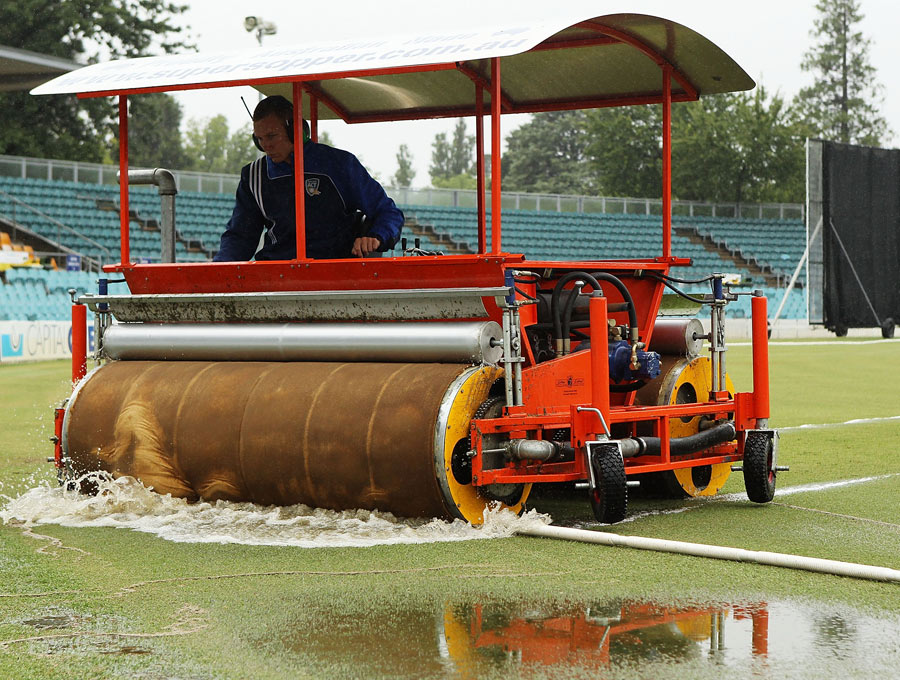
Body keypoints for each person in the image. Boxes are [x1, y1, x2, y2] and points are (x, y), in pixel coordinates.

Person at [214, 95, 403, 261]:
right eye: (259, 139)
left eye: (272, 136)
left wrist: (376, 236)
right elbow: (240, 236)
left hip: (335, 274)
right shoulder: (253, 176)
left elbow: (388, 212)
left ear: (295, 129)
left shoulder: (339, 164)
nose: (266, 146)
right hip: (276, 275)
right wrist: (219, 268)